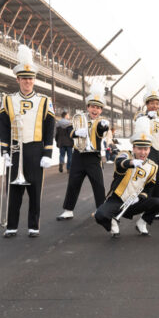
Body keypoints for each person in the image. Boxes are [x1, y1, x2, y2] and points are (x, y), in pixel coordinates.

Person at [0, 44, 55, 238]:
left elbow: (50, 128)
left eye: (30, 78)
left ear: (34, 79)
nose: (27, 81)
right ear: (18, 79)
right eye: (24, 78)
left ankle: (33, 226)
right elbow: (4, 127)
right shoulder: (7, 100)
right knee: (13, 190)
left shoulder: (44, 101)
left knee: (34, 190)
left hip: (36, 149)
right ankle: (11, 226)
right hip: (15, 149)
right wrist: (4, 151)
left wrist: (47, 153)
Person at [93, 117, 159, 237]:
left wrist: (141, 196)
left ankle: (142, 223)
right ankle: (113, 222)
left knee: (157, 203)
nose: (143, 152)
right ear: (134, 148)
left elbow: (149, 187)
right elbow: (120, 162)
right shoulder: (126, 154)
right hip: (117, 199)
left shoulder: (153, 166)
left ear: (149, 149)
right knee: (100, 215)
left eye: (146, 149)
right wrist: (131, 163)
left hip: (134, 202)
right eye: (139, 148)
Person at [56, 83, 110, 221]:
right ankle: (68, 210)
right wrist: (77, 132)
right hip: (78, 155)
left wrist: (103, 127)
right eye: (92, 107)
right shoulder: (79, 118)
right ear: (87, 107)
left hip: (93, 156)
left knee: (98, 184)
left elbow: (103, 130)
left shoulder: (102, 121)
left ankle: (100, 209)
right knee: (73, 183)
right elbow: (71, 133)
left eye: (98, 108)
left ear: (101, 110)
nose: (95, 110)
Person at [137, 84, 159, 220]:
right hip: (146, 152)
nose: (154, 106)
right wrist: (147, 118)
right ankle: (144, 206)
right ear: (146, 104)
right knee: (147, 179)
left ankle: (155, 207)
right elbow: (139, 131)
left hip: (158, 151)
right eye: (151, 103)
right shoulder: (140, 117)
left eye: (156, 103)